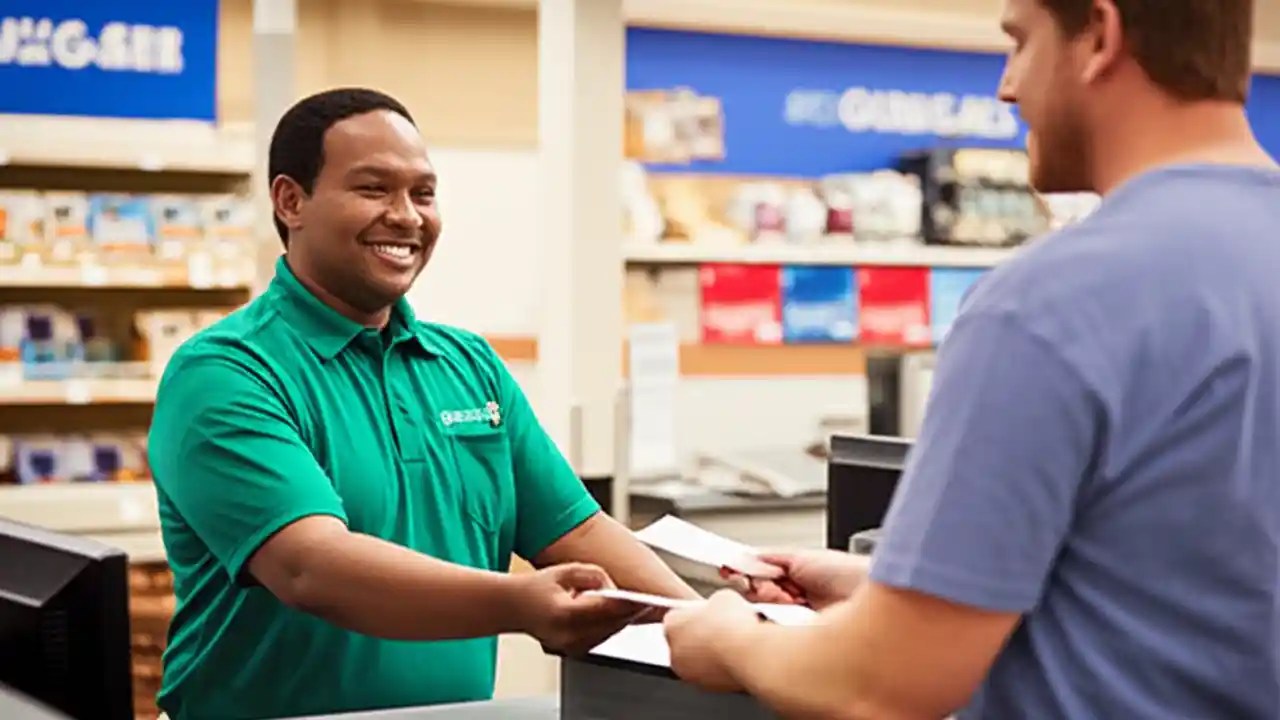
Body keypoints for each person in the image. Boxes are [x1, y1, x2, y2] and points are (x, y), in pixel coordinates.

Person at [663, 0, 1280, 718]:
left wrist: (732, 640)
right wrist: (891, 590)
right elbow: (1184, 595)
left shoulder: (1049, 304)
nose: (1006, 88)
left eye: (1020, 44)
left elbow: (879, 686)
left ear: (1100, 37)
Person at [147, 87, 699, 720]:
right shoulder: (225, 372)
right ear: (290, 201)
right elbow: (310, 567)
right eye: (374, 189)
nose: (406, 216)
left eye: (424, 193)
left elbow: (577, 530)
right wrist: (521, 603)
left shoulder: (468, 366)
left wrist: (718, 629)